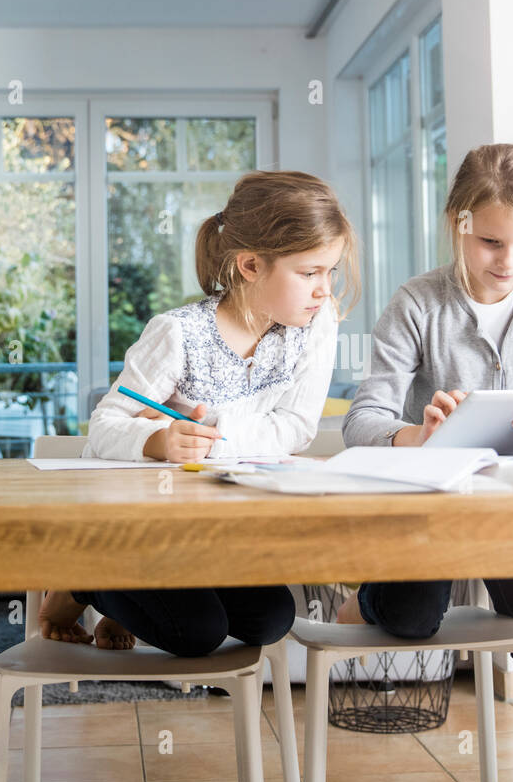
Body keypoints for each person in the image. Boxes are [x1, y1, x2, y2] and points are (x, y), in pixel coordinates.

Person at [340, 143, 513, 781]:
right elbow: (360, 418)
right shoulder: (417, 302)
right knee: (411, 620)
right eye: (490, 242)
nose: (508, 262)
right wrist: (418, 436)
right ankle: (368, 599)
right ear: (457, 220)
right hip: (438, 504)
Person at [38, 170, 361, 656]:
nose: (324, 290)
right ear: (250, 265)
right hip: (139, 529)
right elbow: (104, 427)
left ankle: (126, 603)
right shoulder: (178, 334)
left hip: (214, 533)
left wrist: (212, 427)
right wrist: (157, 442)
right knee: (197, 634)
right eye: (309, 272)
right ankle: (84, 581)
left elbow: (295, 429)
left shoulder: (316, 326)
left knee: (272, 619)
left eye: (330, 271)